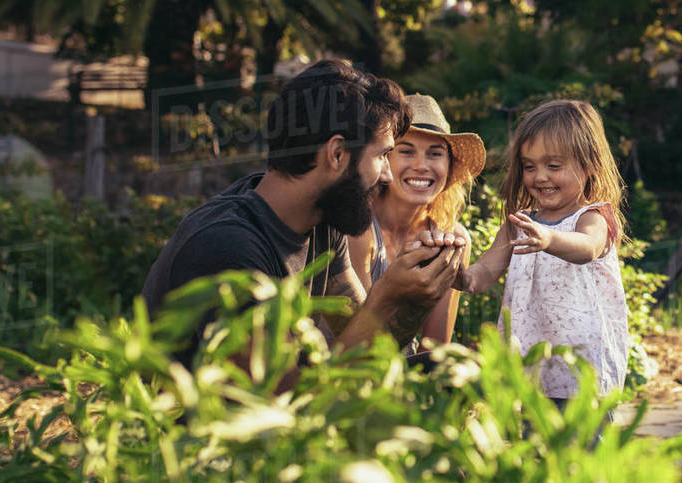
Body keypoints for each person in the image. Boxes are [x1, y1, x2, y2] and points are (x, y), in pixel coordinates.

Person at [141, 59, 466, 376]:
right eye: (383, 156)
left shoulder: (323, 219)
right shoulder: (228, 247)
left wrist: (415, 294)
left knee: (451, 371)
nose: (386, 176)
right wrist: (387, 295)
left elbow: (361, 346)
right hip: (202, 425)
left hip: (288, 411)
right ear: (337, 154)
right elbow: (283, 403)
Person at [456, 99, 630, 406]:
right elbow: (484, 273)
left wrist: (550, 239)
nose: (540, 177)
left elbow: (587, 248)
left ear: (589, 167)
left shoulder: (592, 217)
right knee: (536, 448)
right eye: (529, 166)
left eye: (554, 166)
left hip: (582, 370)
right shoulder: (520, 223)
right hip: (530, 368)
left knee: (582, 449)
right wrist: (458, 275)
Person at [348, 94, 485, 349]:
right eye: (407, 152)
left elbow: (434, 348)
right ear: (385, 159)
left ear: (450, 166)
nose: (422, 166)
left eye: (435, 154)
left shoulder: (452, 240)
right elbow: (355, 338)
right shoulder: (358, 229)